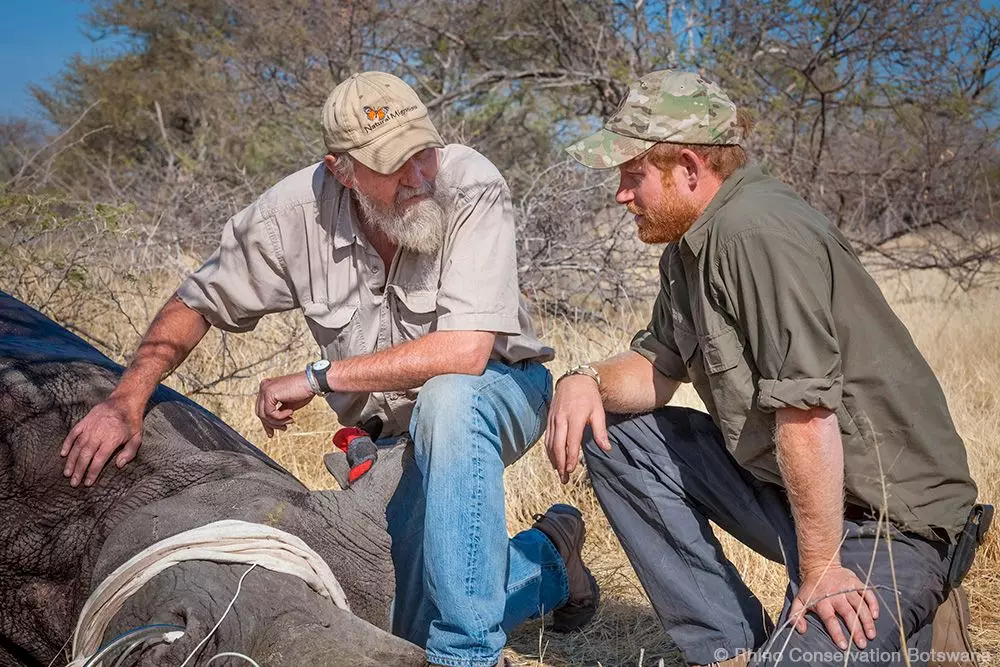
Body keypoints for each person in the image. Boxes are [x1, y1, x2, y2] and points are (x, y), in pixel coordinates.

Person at [61, 71, 598, 667]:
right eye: (396, 164)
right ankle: (547, 559)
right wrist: (126, 397)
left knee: (450, 403)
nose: (420, 177)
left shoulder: (471, 183)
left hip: (500, 391)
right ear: (342, 169)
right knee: (396, 624)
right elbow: (196, 301)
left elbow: (465, 353)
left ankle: (468, 655)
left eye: (424, 152)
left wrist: (318, 378)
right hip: (393, 434)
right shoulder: (289, 216)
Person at [548, 69, 983, 666]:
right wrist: (584, 379)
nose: (622, 194)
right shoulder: (690, 245)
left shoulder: (754, 232)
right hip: (799, 495)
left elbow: (806, 414)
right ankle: (728, 647)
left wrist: (822, 568)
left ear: (690, 168)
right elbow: (656, 364)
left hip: (890, 524)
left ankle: (911, 606)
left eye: (634, 176)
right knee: (613, 434)